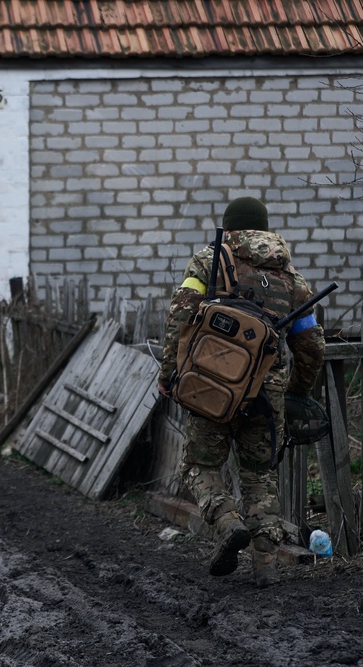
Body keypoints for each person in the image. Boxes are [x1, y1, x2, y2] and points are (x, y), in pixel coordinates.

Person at [157, 196, 326, 587]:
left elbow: (180, 314)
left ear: (229, 228)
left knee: (200, 464)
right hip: (266, 394)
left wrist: (170, 373)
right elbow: (312, 344)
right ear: (265, 230)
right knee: (259, 476)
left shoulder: (209, 260)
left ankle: (227, 521)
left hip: (209, 384)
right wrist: (297, 390)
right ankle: (265, 564)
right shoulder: (291, 279)